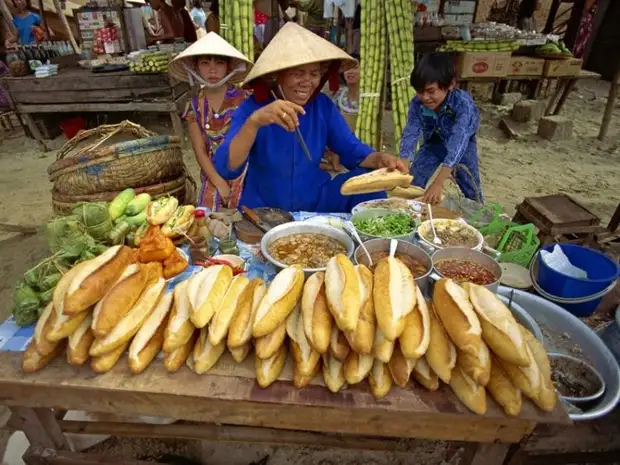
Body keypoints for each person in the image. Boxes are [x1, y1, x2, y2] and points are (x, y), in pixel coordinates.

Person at [214, 23, 407, 213]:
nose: (308, 81)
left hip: (316, 200)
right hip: (265, 207)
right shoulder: (253, 108)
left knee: (370, 185)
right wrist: (254, 122)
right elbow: (228, 168)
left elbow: (351, 149)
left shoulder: (322, 106)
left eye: (314, 73)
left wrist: (380, 159)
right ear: (275, 76)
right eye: (298, 73)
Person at [169, 32, 253, 211]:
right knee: (210, 222)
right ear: (196, 67)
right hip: (213, 173)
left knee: (248, 221)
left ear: (229, 67)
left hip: (246, 172)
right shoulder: (193, 106)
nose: (212, 70)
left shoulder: (245, 99)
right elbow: (200, 151)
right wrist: (219, 182)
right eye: (205, 63)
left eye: (219, 63)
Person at [399, 53, 482, 205]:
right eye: (419, 91)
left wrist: (438, 183)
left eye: (431, 91)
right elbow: (411, 132)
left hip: (462, 146)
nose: (425, 97)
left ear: (451, 84)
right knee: (413, 180)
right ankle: (411, 216)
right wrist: (403, 162)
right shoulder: (417, 103)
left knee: (470, 186)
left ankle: (478, 218)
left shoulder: (463, 104)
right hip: (434, 141)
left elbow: (459, 142)